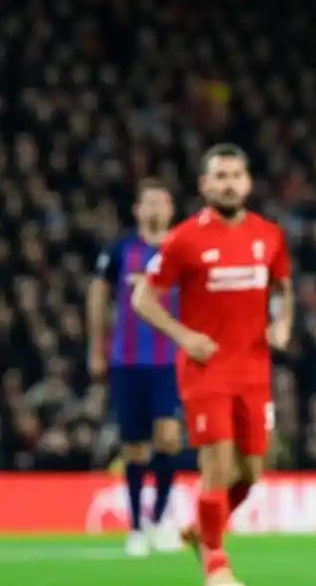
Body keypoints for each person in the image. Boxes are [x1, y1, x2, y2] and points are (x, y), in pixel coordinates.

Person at [131, 143, 293, 586]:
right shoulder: (186, 238)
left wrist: (282, 326)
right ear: (204, 185)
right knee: (218, 466)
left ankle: (202, 528)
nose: (228, 184)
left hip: (254, 371)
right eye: (219, 176)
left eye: (235, 176)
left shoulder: (268, 235)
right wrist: (184, 337)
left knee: (252, 473)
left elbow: (282, 288)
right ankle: (216, 565)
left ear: (248, 183)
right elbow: (142, 296)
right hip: (208, 371)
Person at [87, 178, 184, 556]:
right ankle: (136, 526)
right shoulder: (120, 251)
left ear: (172, 209)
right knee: (135, 449)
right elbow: (97, 294)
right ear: (138, 211)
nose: (156, 209)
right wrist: (96, 347)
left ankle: (159, 518)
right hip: (127, 362)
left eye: (163, 201)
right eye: (149, 203)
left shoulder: (183, 250)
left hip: (169, 362)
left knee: (169, 438)